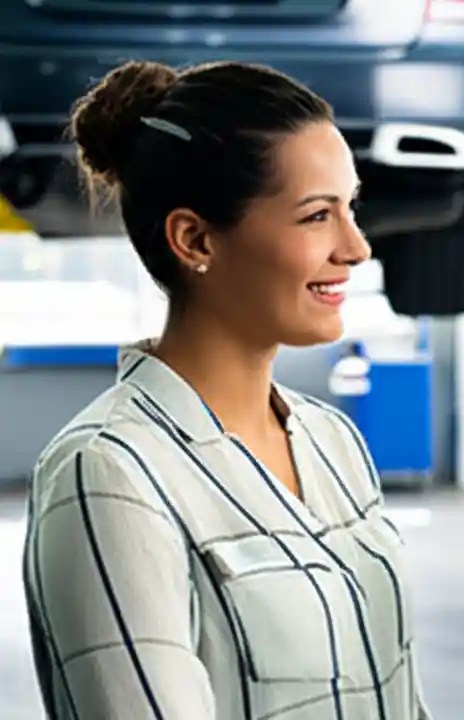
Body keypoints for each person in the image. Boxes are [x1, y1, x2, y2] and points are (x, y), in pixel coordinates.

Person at [22, 60, 431, 719]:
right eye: (316, 216)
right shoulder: (109, 474)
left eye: (350, 208)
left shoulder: (334, 444)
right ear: (195, 239)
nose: (356, 248)